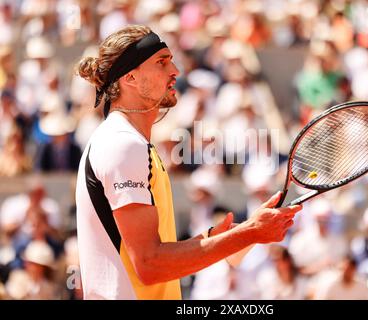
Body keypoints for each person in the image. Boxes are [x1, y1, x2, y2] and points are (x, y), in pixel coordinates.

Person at [75, 25, 301, 300]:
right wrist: (251, 234)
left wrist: (230, 235)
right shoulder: (123, 144)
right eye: (162, 62)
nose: (175, 72)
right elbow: (150, 264)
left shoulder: (128, 142)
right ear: (130, 77)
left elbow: (157, 257)